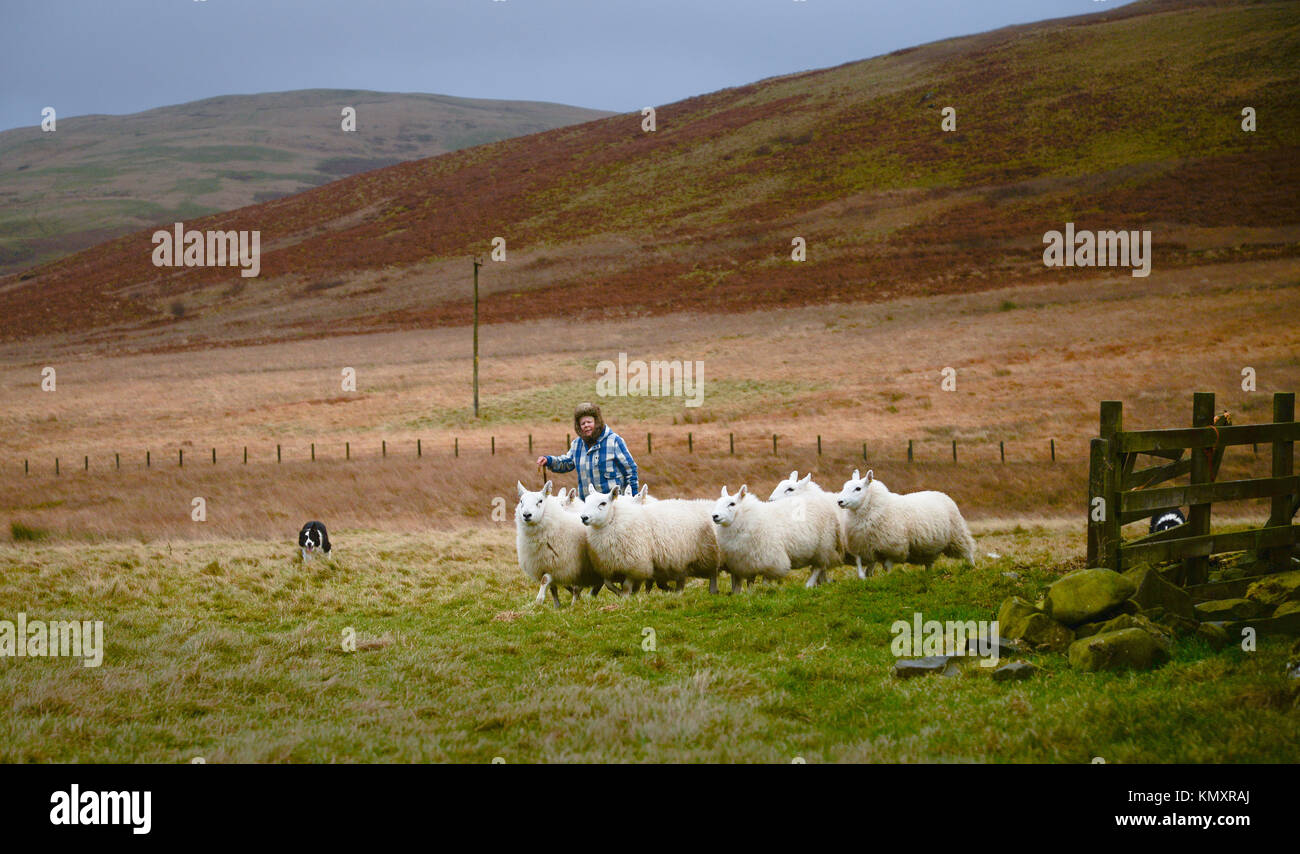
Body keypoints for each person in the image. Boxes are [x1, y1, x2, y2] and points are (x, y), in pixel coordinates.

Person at [536, 402, 638, 500]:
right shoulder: (577, 445)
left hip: (613, 504)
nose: (586, 425)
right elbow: (566, 462)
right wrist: (548, 460)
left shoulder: (614, 441)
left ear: (597, 422)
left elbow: (630, 470)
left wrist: (633, 498)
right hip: (588, 507)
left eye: (589, 422)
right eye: (583, 423)